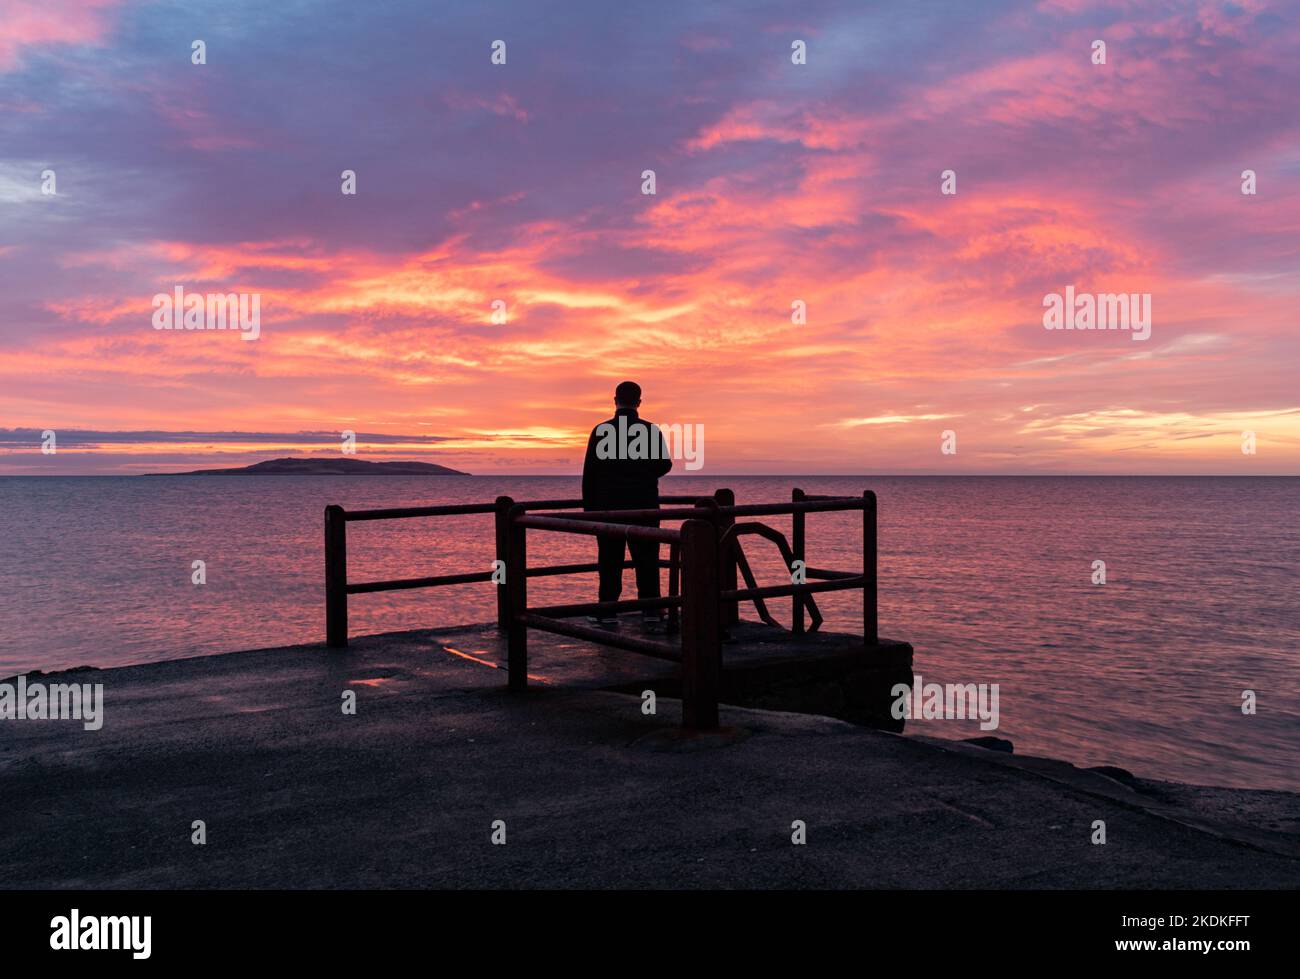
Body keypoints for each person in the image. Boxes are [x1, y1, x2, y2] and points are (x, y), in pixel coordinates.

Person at [581, 381, 672, 629]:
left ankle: (608, 610)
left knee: (610, 559)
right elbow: (664, 465)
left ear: (615, 400)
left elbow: (589, 473)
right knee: (647, 559)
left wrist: (589, 509)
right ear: (639, 402)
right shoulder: (650, 431)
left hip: (608, 506)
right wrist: (641, 474)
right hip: (644, 504)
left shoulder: (601, 431)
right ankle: (651, 610)